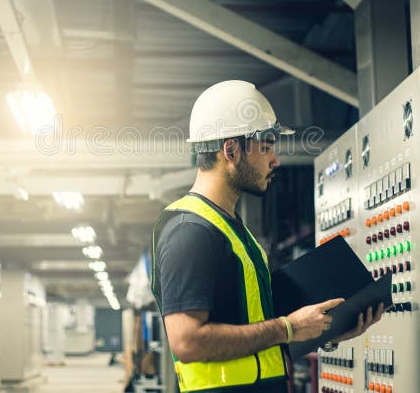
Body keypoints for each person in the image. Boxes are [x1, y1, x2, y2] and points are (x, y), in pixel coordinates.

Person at [151, 80, 384, 393]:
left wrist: (326, 329)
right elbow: (187, 341)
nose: (275, 159)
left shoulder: (235, 231)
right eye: (266, 146)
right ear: (230, 150)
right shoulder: (188, 230)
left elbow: (258, 340)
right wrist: (288, 327)